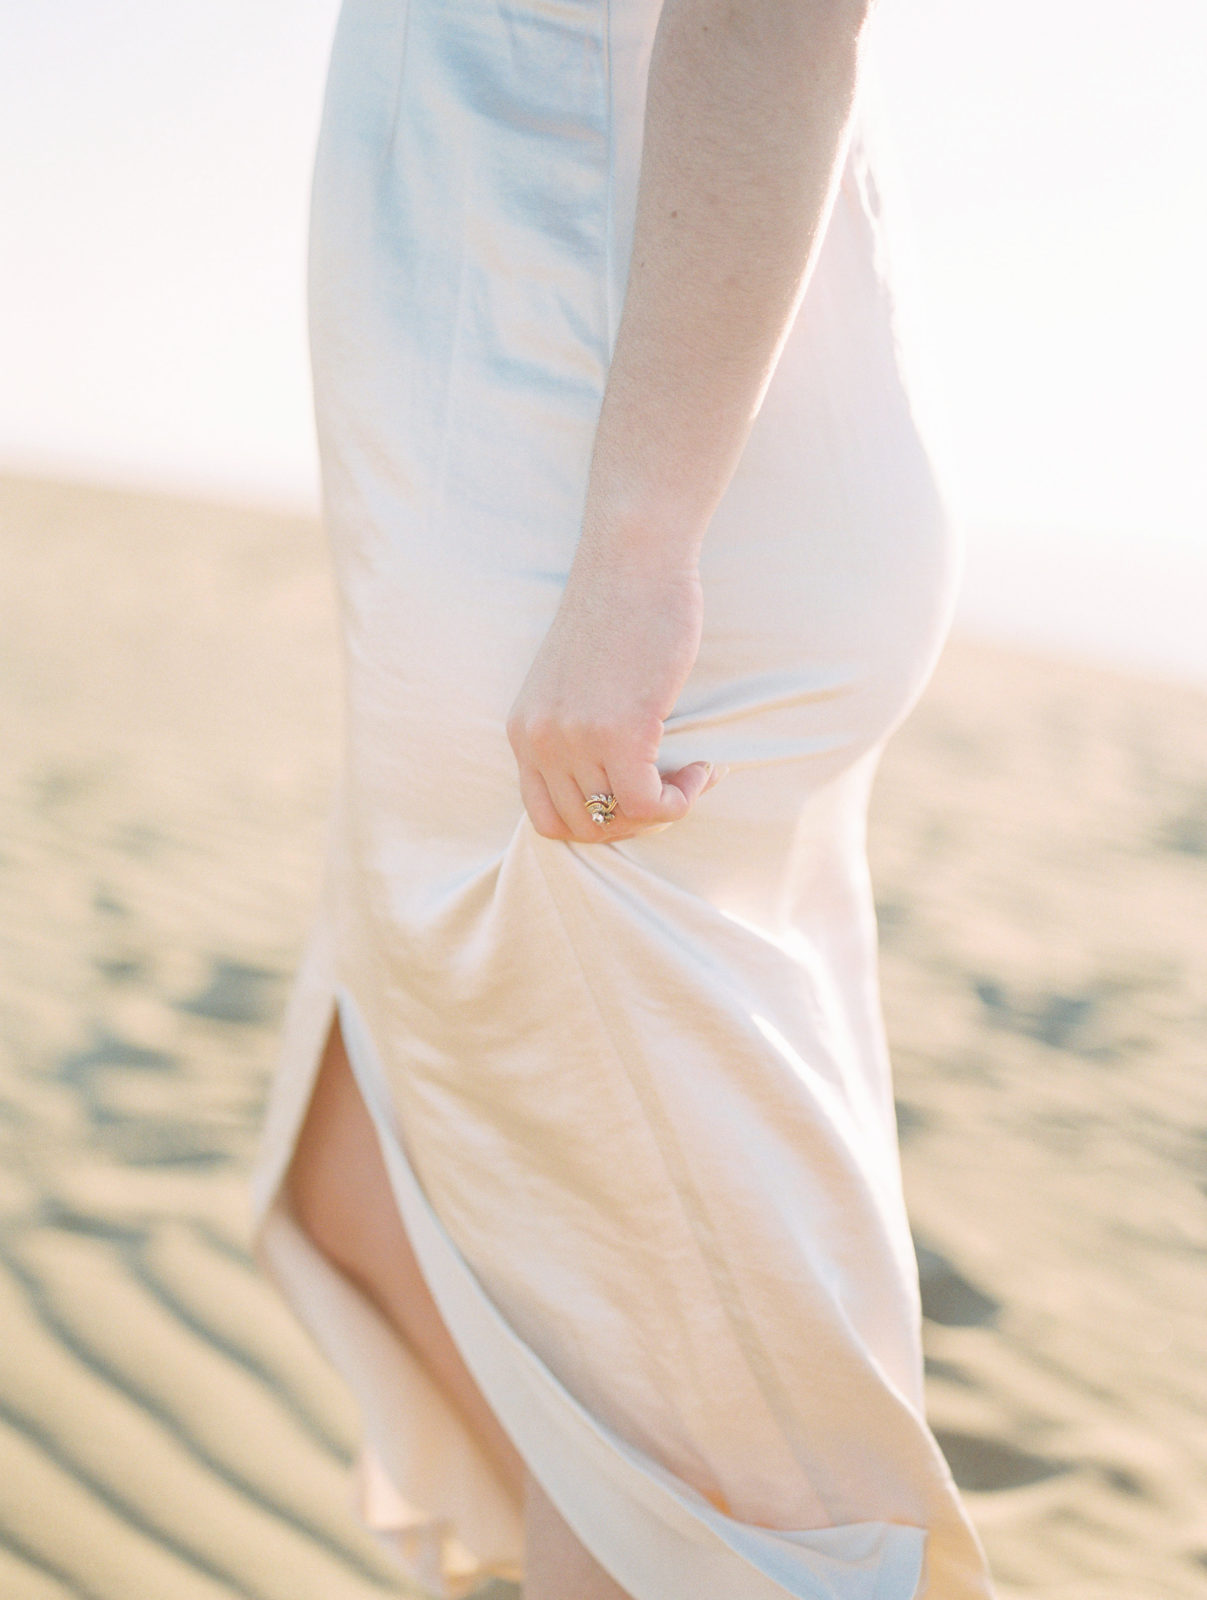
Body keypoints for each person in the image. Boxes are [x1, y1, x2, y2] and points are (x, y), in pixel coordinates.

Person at [249, 0, 997, 1595]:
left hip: (589, 532)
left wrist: (638, 546)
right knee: (362, 1188)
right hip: (522, 531)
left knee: (676, 1435)